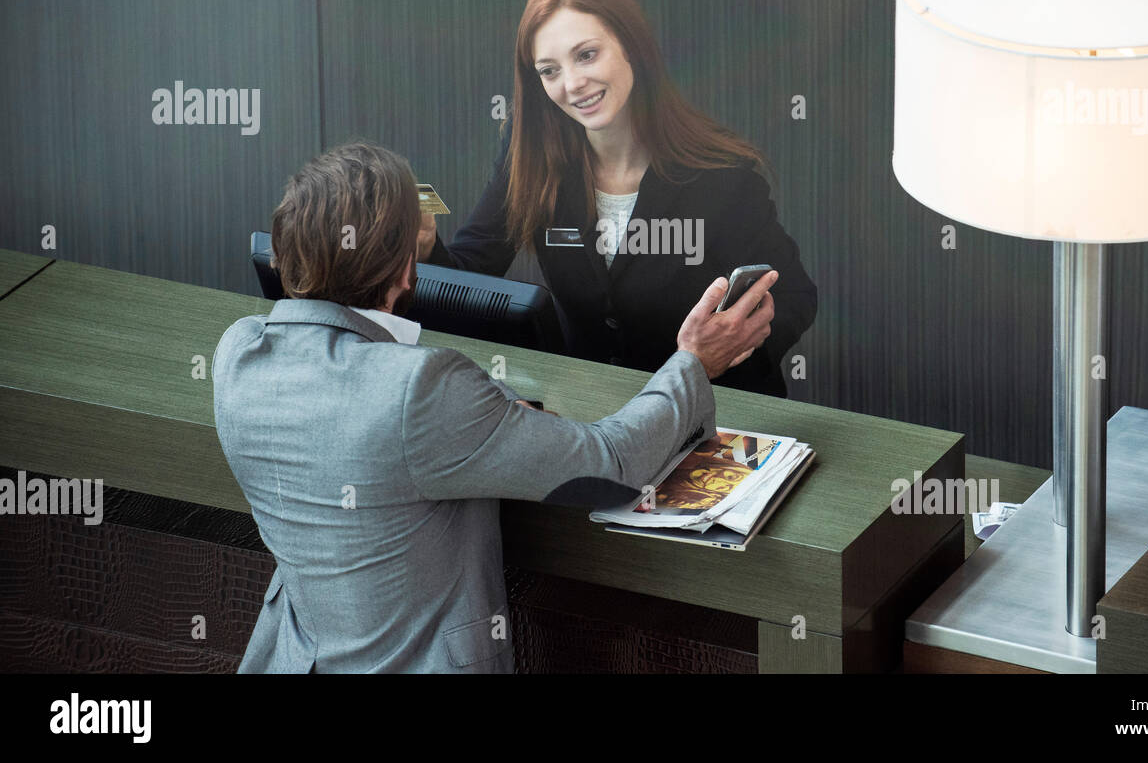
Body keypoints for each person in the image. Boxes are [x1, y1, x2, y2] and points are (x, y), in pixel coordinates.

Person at [212, 141, 776, 673]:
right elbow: (613, 464)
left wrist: (492, 412)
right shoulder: (421, 387)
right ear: (407, 269)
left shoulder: (239, 352)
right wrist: (693, 363)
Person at [422, 0, 816, 397]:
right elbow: (467, 279)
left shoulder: (722, 176)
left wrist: (727, 350)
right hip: (595, 417)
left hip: (714, 416)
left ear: (631, 46)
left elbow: (796, 297)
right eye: (549, 71)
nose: (572, 84)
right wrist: (425, 248)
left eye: (586, 55)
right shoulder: (531, 154)